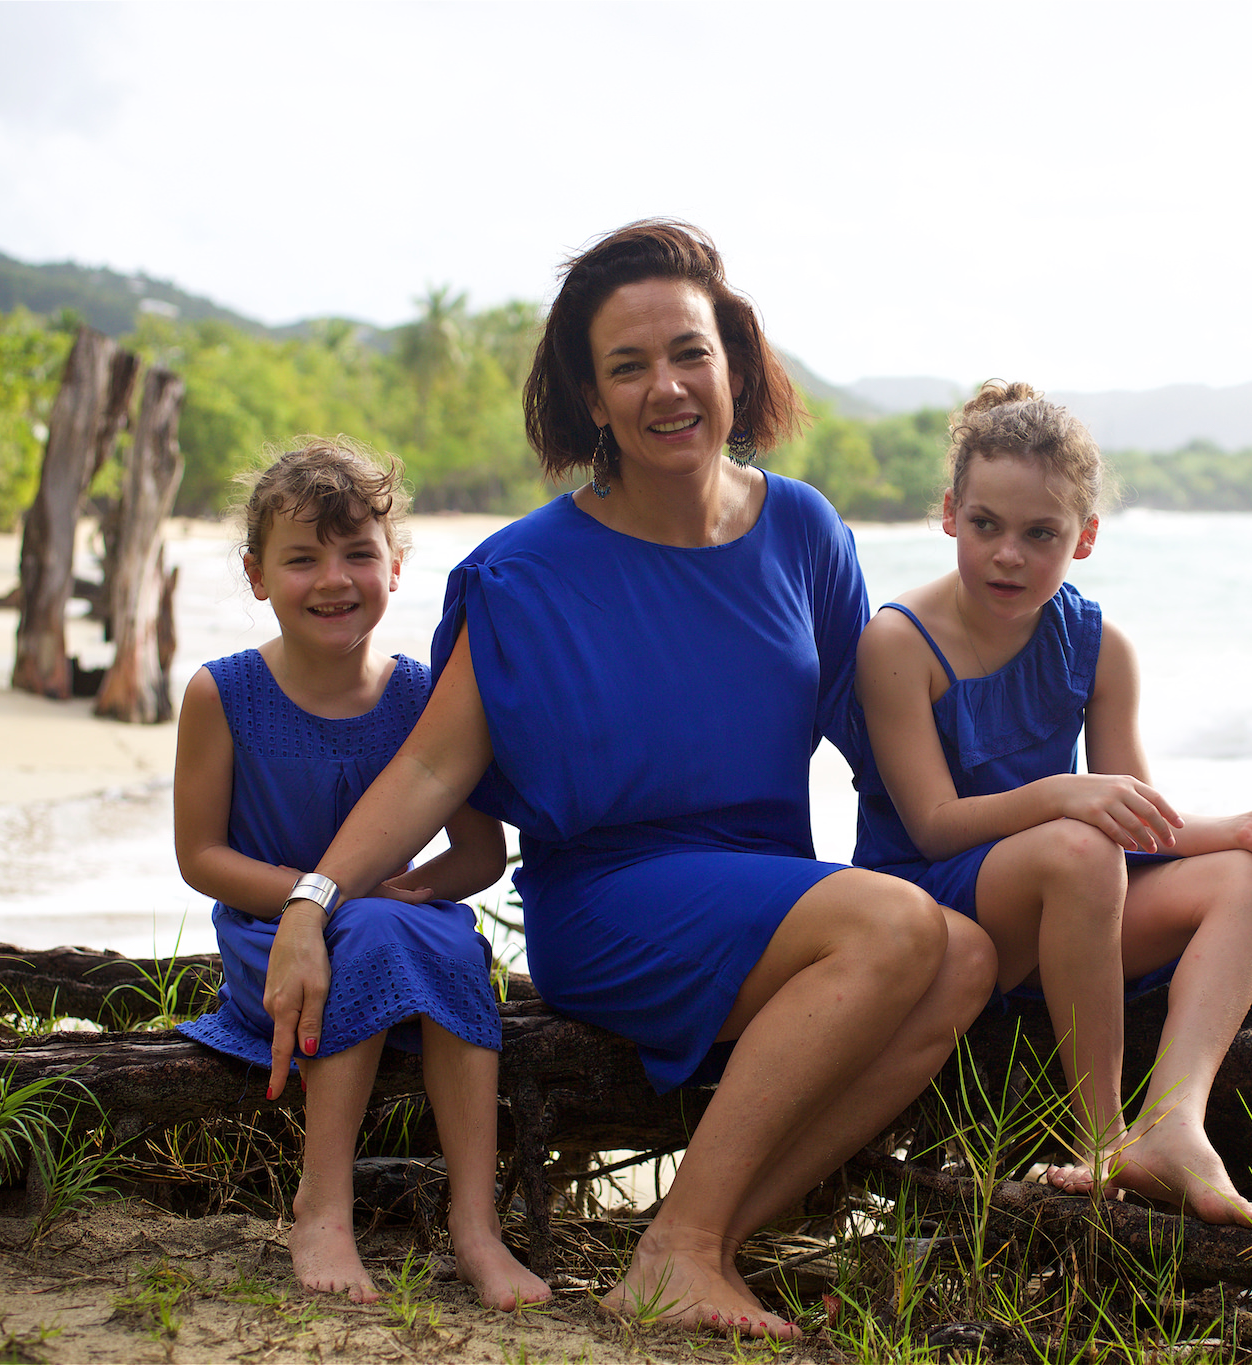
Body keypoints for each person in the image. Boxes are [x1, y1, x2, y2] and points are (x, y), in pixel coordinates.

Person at [259, 222, 997, 1341]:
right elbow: (428, 764)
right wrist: (313, 902)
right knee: (895, 931)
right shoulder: (522, 573)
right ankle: (678, 1248)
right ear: (589, 401)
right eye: (628, 367)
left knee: (968, 956)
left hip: (771, 893)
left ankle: (705, 1242)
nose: (667, 387)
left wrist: (1079, 818)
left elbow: (885, 737)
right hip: (608, 902)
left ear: (733, 367)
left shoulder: (801, 529)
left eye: (689, 353)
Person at [852, 382, 1252, 1229]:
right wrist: (1062, 796)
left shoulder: (1099, 647)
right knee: (1080, 849)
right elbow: (932, 825)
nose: (1008, 554)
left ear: (1083, 538)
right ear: (949, 513)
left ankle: (1174, 1126)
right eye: (985, 524)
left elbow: (1137, 823)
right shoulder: (899, 641)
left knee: (1251, 882)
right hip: (936, 916)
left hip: (1067, 910)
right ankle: (1104, 1135)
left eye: (1040, 533)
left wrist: (1239, 830)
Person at [173, 438, 549, 1309]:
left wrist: (396, 896)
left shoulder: (424, 696)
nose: (333, 578)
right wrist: (328, 898)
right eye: (301, 558)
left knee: (435, 932)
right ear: (257, 573)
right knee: (376, 929)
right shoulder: (222, 693)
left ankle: (476, 1226)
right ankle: (322, 1206)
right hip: (274, 942)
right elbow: (201, 857)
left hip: (396, 931)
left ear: (397, 565)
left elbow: (480, 854)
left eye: (357, 554)